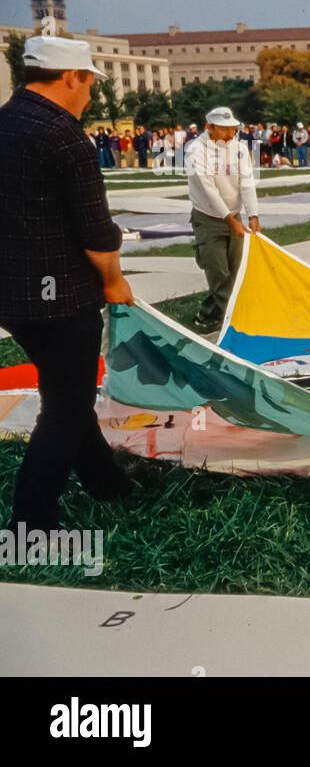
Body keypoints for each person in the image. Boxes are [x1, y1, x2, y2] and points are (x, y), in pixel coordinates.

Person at [0, 36, 136, 532]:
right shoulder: (65, 136)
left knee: (66, 391)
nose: (90, 93)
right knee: (66, 406)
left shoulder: (6, 122)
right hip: (61, 298)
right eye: (89, 82)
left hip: (11, 293)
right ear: (71, 77)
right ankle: (32, 521)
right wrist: (114, 281)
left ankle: (107, 483)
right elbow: (96, 232)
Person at [186, 106, 260, 332]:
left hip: (234, 215)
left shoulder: (239, 149)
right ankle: (230, 320)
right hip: (208, 219)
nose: (231, 134)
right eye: (225, 130)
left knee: (235, 272)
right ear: (210, 127)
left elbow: (246, 182)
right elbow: (209, 191)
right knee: (218, 272)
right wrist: (231, 221)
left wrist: (253, 214)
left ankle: (208, 314)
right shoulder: (195, 151)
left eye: (233, 129)